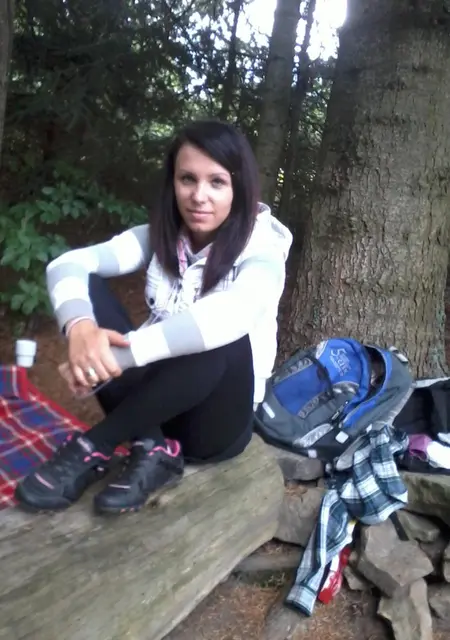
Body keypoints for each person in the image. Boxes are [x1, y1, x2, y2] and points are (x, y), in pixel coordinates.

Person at [15, 120, 293, 515]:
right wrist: (80, 329)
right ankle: (152, 446)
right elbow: (68, 264)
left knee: (221, 333)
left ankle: (95, 444)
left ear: (239, 188)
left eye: (217, 182)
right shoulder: (159, 235)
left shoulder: (263, 251)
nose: (199, 196)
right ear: (172, 182)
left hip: (212, 426)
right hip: (151, 401)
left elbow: (231, 316)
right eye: (187, 179)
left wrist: (112, 358)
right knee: (87, 289)